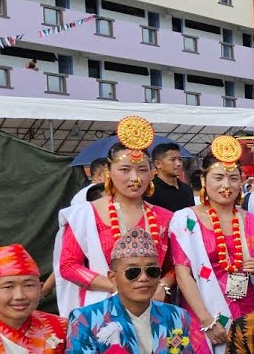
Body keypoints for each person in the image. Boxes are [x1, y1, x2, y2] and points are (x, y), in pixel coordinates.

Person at [55, 116, 176, 319]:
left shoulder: (166, 218)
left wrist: (162, 285)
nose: (135, 178)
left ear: (152, 173)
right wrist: (116, 287)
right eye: (125, 169)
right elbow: (68, 265)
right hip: (102, 308)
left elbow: (175, 266)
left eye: (142, 170)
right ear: (108, 172)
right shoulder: (84, 214)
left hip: (154, 308)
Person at [65, 227, 217, 354]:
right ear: (113, 278)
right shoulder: (86, 320)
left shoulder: (176, 317)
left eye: (152, 271)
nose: (144, 278)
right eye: (132, 272)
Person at [171, 136, 254, 354]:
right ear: (204, 180)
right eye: (218, 177)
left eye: (233, 178)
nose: (227, 185)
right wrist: (207, 321)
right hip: (202, 313)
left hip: (247, 311)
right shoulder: (186, 220)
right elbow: (183, 274)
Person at [147, 142, 195, 212]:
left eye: (180, 159)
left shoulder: (187, 189)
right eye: (173, 160)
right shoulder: (150, 191)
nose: (178, 164)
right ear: (158, 164)